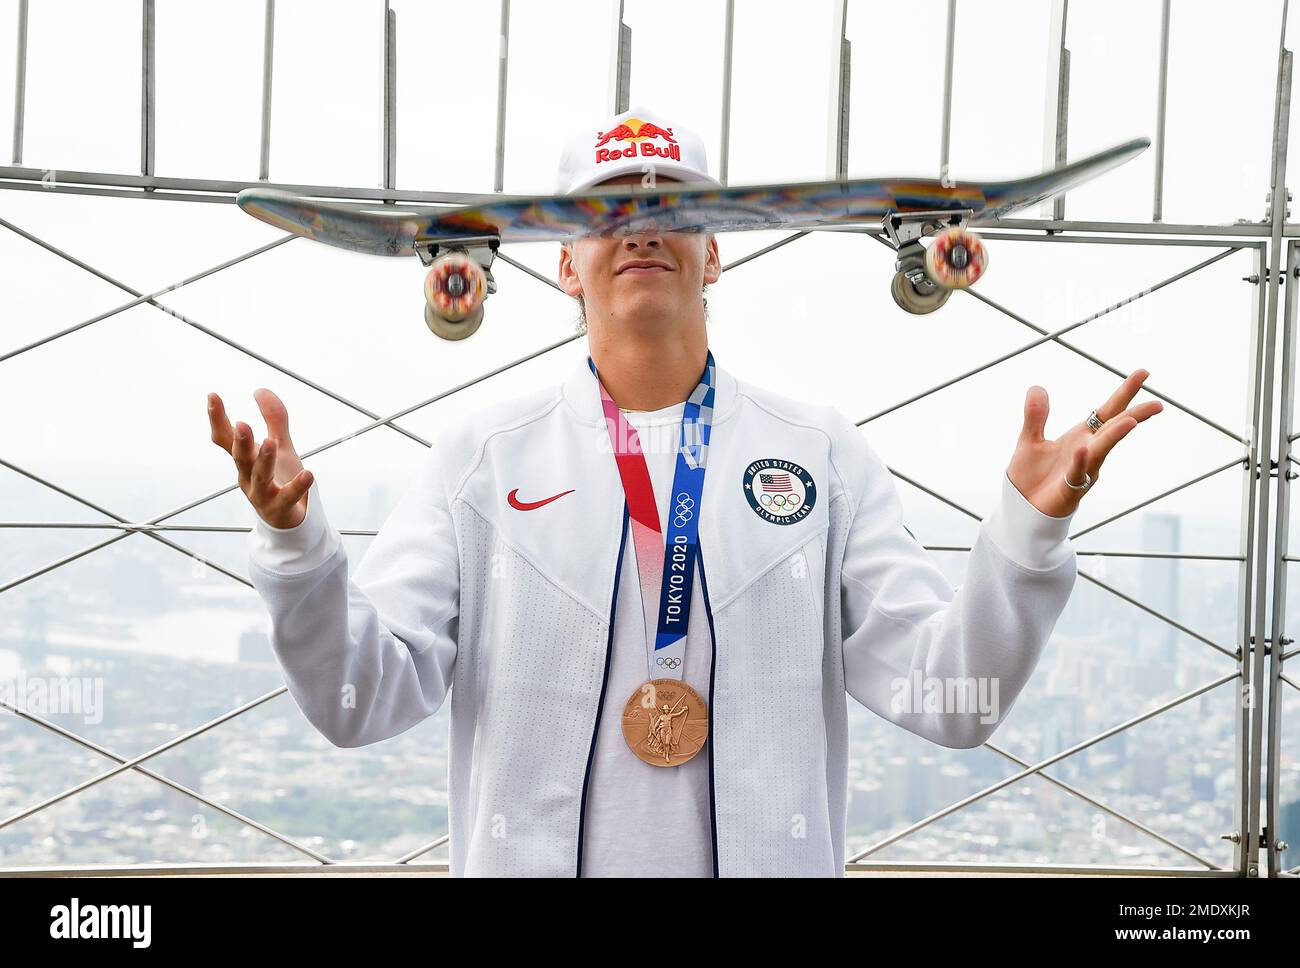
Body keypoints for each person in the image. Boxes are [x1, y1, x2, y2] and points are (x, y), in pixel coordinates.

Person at [207, 105, 1163, 877]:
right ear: (562, 261)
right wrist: (297, 549)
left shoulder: (817, 452)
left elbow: (956, 700)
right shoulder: (481, 458)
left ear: (718, 252)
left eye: (676, 207)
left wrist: (1027, 535)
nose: (642, 226)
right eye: (606, 209)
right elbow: (356, 701)